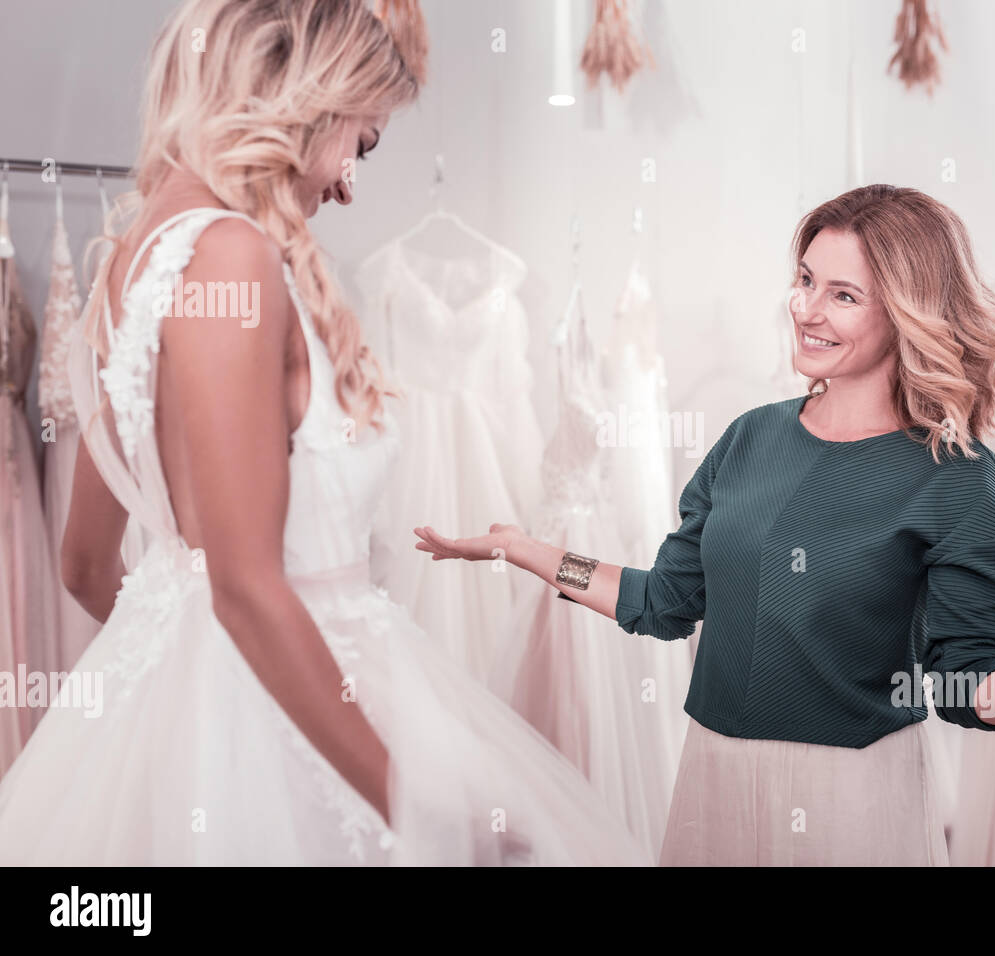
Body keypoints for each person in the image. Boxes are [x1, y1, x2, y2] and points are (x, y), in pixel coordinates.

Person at [0, 0, 649, 866]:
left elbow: (86, 564)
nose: (348, 182)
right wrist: (425, 818)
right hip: (307, 731)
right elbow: (245, 585)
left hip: (212, 720)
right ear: (298, 98)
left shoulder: (128, 262)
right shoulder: (231, 256)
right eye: (361, 141)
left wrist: (183, 666)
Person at [416, 184, 995, 866]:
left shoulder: (955, 477)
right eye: (805, 280)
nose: (806, 310)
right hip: (712, 782)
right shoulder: (748, 438)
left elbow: (963, 683)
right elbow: (665, 602)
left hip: (853, 803)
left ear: (906, 313)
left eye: (843, 295)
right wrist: (519, 548)